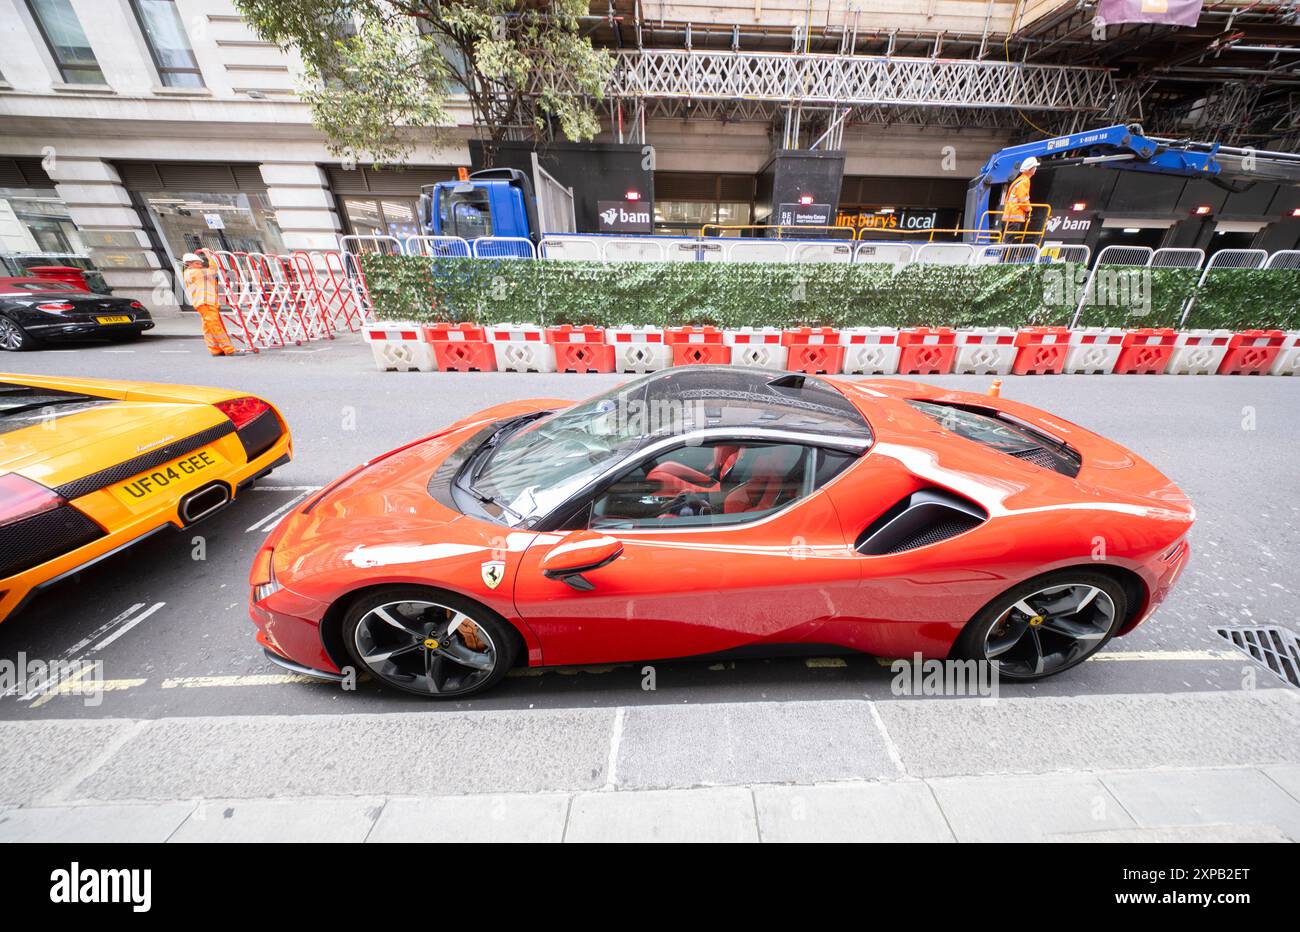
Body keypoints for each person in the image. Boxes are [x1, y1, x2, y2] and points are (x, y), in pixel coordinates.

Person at [181, 249, 236, 356]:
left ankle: (215, 349)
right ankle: (229, 349)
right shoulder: (195, 272)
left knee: (208, 327)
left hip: (204, 302)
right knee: (215, 326)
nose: (200, 265)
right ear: (189, 264)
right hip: (205, 302)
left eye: (200, 263)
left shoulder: (191, 272)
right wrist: (208, 255)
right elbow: (214, 270)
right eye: (197, 263)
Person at [1001, 155, 1038, 244]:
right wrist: (1029, 209)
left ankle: (1004, 257)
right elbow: (1023, 199)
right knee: (1008, 242)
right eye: (1035, 167)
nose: (1036, 169)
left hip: (1009, 215)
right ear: (1030, 169)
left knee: (1006, 240)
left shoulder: (1018, 180)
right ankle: (1005, 258)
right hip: (1014, 216)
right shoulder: (1025, 181)